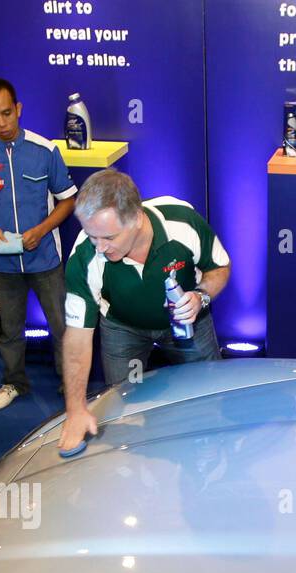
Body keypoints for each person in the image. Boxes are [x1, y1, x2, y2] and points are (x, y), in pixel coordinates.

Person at [58, 170, 230, 455]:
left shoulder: (182, 223)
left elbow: (219, 268)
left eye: (109, 237)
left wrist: (201, 296)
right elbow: (77, 339)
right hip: (121, 327)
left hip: (187, 321)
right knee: (123, 404)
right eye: (92, 236)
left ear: (136, 219)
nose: (99, 248)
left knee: (210, 393)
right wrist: (76, 410)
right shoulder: (84, 258)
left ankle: (212, 454)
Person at [0, 77, 76, 409]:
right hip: (4, 262)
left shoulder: (45, 150)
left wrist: (41, 230)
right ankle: (14, 382)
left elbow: (68, 200)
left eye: (7, 113)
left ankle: (70, 382)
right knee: (10, 329)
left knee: (62, 327)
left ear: (19, 109)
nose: (2, 122)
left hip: (45, 259)